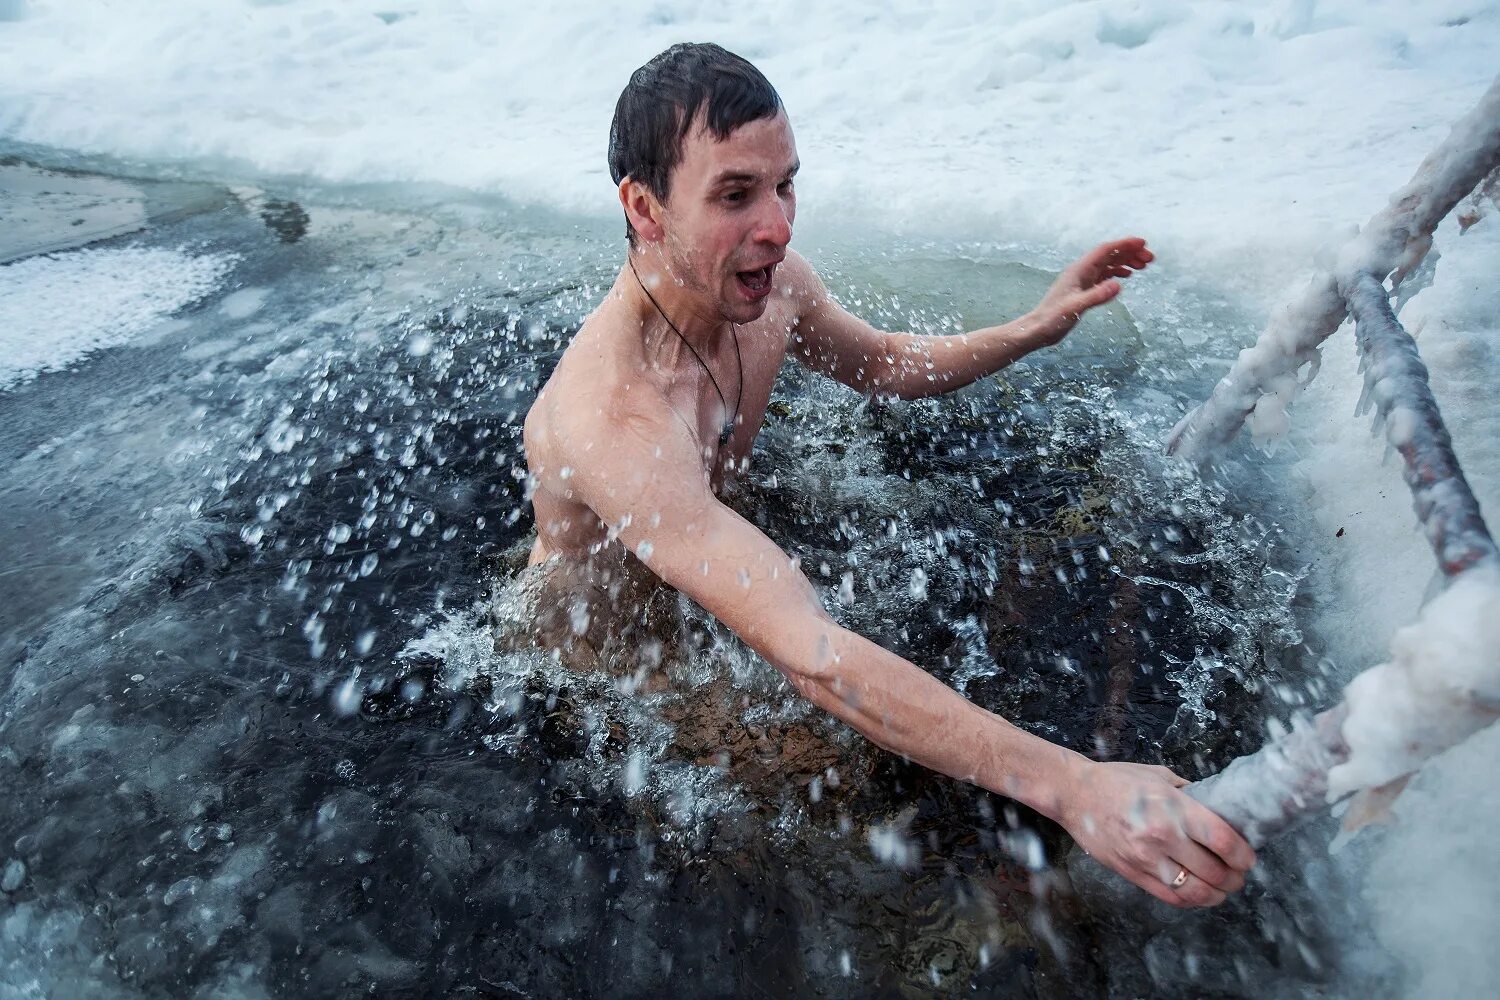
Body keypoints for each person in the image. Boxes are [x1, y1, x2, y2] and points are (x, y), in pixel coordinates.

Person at [517, 41, 1254, 908]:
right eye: (734, 195)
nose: (779, 226)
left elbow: (886, 363)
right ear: (644, 208)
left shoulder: (769, 285)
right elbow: (814, 654)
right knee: (866, 793)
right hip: (612, 673)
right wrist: (1073, 785)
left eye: (785, 183)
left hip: (702, 564)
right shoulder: (615, 419)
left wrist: (1034, 328)